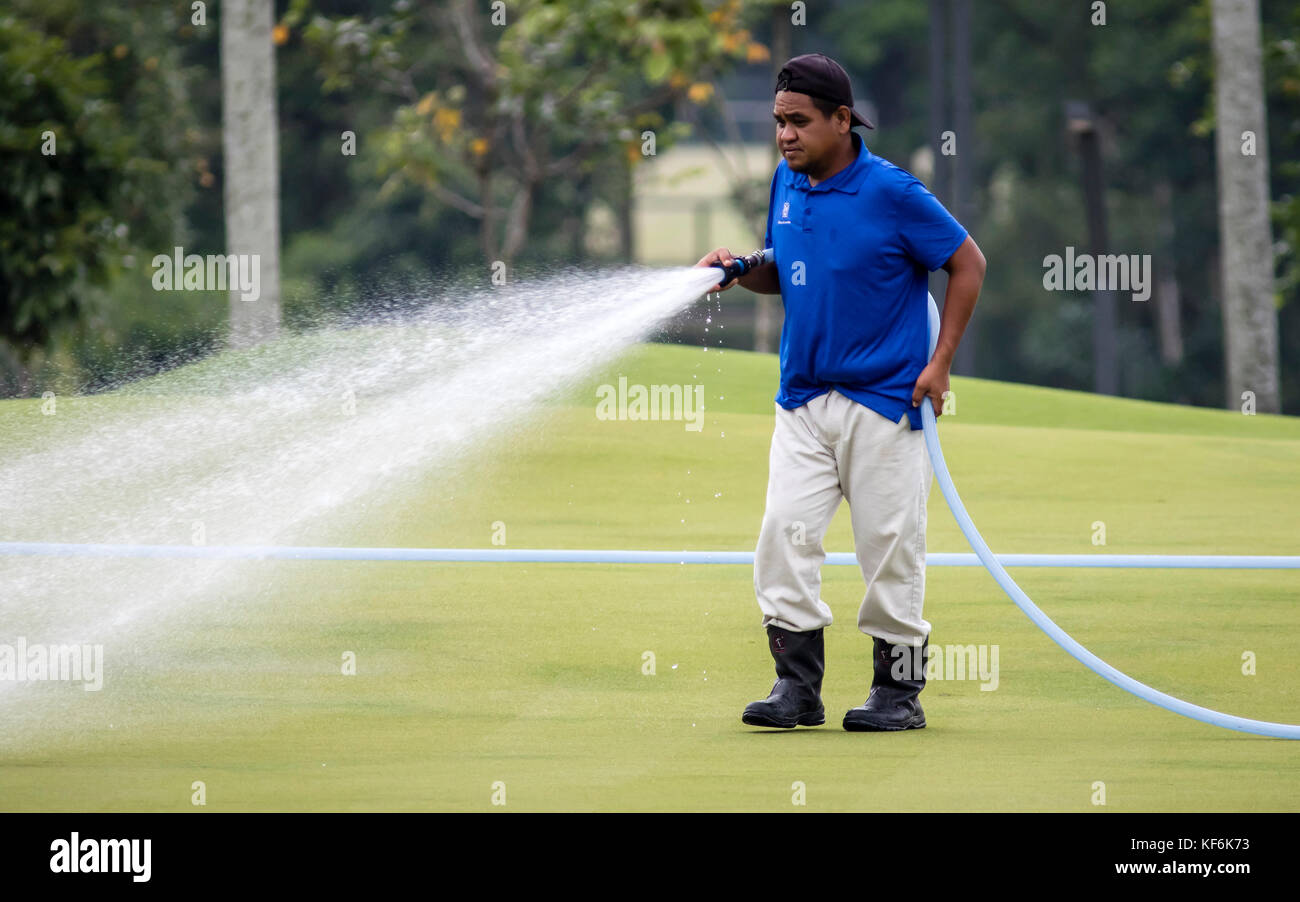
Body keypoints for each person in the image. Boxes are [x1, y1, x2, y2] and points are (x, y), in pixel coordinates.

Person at [696, 53, 985, 732]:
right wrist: (740, 270)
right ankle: (797, 689)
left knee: (891, 549)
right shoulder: (786, 184)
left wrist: (940, 364)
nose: (785, 135)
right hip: (801, 399)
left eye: (798, 122)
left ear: (842, 121)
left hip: (884, 400)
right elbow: (787, 268)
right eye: (778, 122)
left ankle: (898, 696)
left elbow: (967, 262)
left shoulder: (893, 192)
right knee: (782, 537)